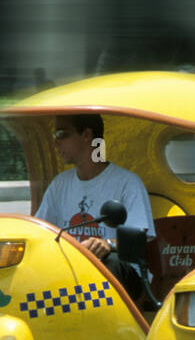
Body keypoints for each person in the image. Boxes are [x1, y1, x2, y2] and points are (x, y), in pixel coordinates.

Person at [34, 113, 156, 301]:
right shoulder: (59, 184)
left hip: (119, 275)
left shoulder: (127, 182)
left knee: (110, 263)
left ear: (86, 135)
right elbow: (40, 233)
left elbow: (138, 241)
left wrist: (107, 245)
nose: (56, 142)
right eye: (55, 135)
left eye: (62, 134)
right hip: (73, 270)